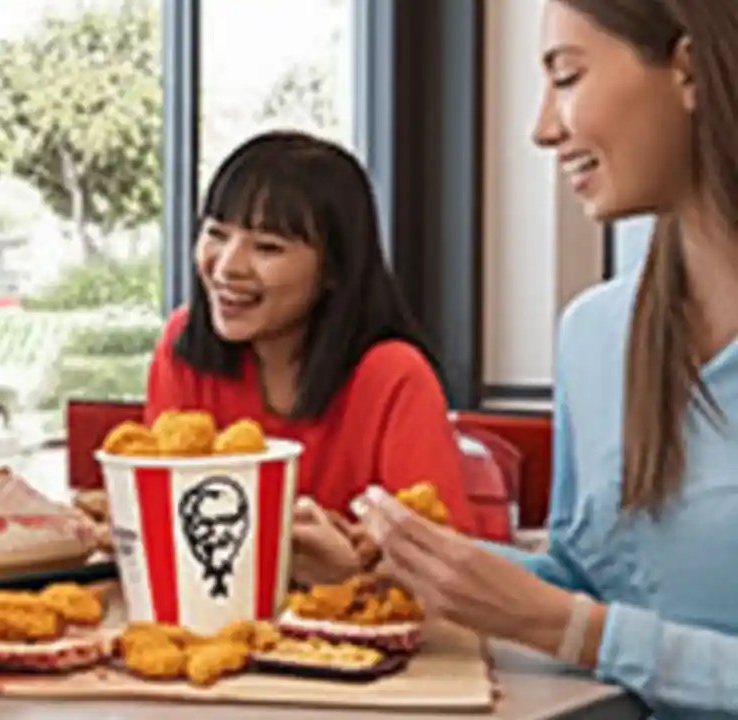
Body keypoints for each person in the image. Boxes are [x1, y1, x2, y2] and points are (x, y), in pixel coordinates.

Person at [365, 1, 738, 717]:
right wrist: (401, 562)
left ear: (688, 70)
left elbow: (580, 621)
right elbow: (584, 583)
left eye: (566, 77)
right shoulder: (594, 336)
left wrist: (578, 632)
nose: (542, 128)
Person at [145, 130, 476, 585]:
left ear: (334, 270)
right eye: (217, 234)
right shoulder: (183, 347)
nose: (227, 267)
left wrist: (351, 572)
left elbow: (449, 569)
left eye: (267, 247)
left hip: (356, 642)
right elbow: (163, 520)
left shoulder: (393, 375)